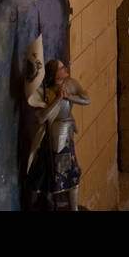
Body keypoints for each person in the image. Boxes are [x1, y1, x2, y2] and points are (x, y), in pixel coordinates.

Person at [26, 59, 90, 211]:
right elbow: (42, 117)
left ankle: (73, 208)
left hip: (66, 134)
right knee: (52, 173)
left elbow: (86, 99)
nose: (65, 69)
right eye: (61, 68)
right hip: (52, 136)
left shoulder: (70, 83)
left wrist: (69, 97)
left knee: (72, 172)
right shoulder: (45, 92)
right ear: (55, 74)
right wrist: (58, 99)